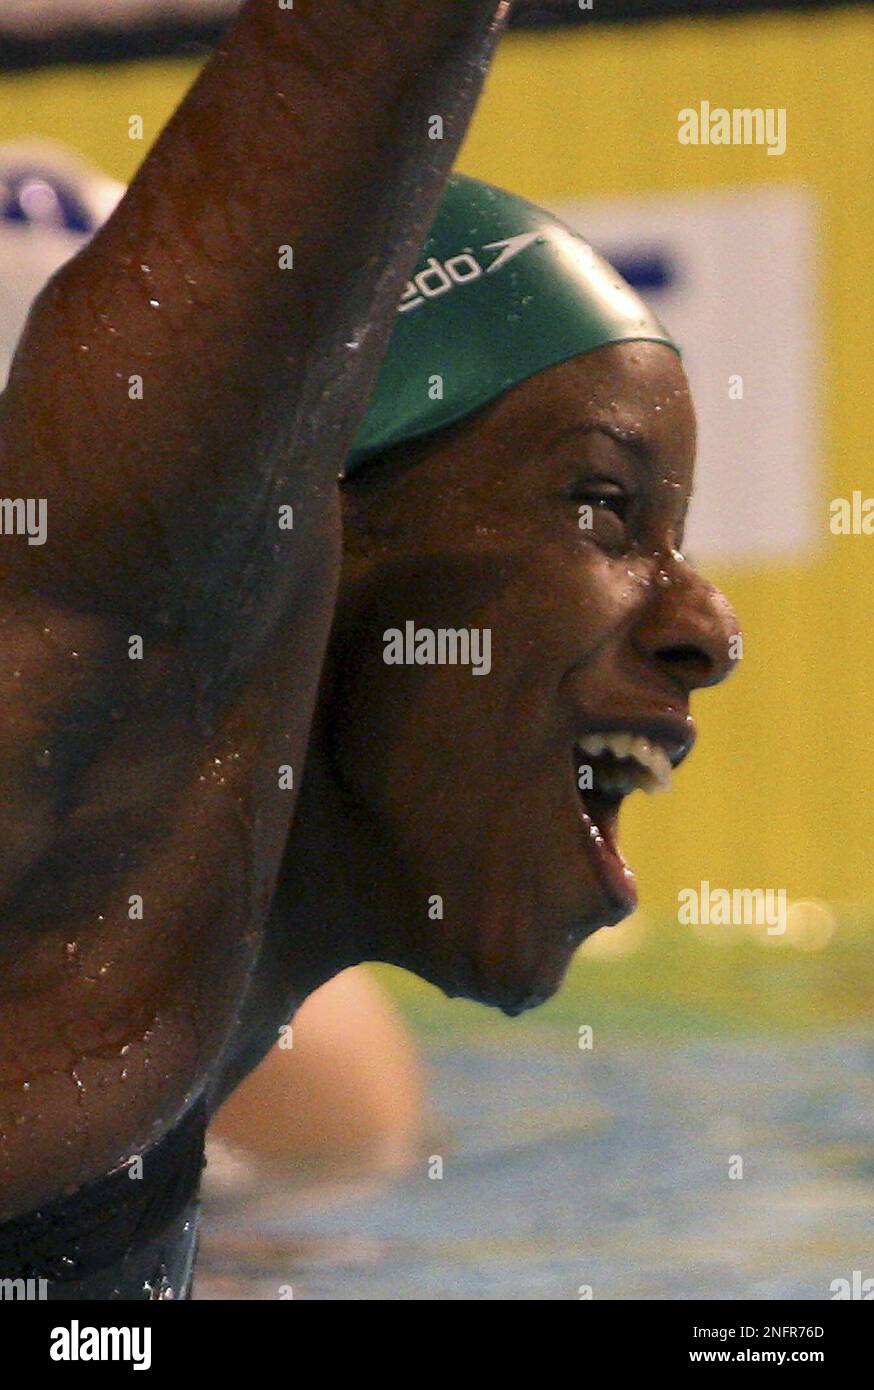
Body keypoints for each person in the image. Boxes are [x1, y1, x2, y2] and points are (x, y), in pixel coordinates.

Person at [0, 0, 738, 1299]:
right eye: (602, 504)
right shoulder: (54, 862)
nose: (705, 627)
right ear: (277, 537)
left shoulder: (182, 1016)